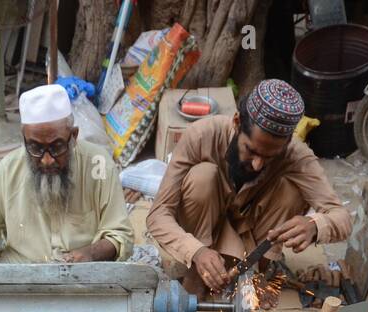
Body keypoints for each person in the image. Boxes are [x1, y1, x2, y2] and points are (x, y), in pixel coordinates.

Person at [146, 78, 352, 296]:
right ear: (236, 122)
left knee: (292, 191)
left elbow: (341, 215)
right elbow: (158, 214)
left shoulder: (295, 154)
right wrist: (195, 251)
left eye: (269, 156)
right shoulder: (202, 135)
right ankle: (198, 274)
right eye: (251, 150)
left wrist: (315, 225)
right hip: (202, 230)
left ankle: (259, 269)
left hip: (252, 235)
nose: (257, 164)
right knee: (202, 177)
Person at [0, 84, 133, 264]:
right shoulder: (8, 168)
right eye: (35, 148)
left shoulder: (99, 165)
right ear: (24, 139)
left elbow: (120, 235)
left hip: (81, 277)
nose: (47, 160)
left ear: (74, 136)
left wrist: (91, 253)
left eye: (57, 147)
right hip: (21, 275)